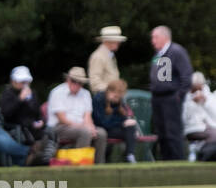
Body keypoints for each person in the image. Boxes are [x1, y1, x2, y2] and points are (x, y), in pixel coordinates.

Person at [149, 26, 193, 161]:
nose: (152, 41)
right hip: (157, 98)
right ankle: (166, 162)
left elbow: (186, 76)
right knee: (161, 132)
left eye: (155, 37)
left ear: (164, 37)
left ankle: (178, 162)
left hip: (171, 98)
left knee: (172, 132)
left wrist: (178, 96)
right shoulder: (158, 54)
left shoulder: (176, 51)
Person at [48, 66, 107, 162]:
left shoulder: (85, 94)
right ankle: (80, 165)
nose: (76, 84)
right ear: (67, 79)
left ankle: (99, 166)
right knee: (84, 132)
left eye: (80, 82)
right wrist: (84, 127)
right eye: (73, 81)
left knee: (101, 133)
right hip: (59, 127)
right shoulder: (57, 92)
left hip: (79, 126)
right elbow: (61, 118)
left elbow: (87, 116)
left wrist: (91, 126)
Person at [92, 79, 139, 163]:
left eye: (119, 96)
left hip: (113, 128)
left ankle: (130, 156)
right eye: (115, 96)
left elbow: (123, 117)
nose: (117, 98)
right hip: (101, 129)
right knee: (128, 129)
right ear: (109, 91)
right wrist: (122, 122)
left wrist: (127, 123)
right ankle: (127, 157)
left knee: (131, 128)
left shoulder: (118, 100)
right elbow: (102, 122)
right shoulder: (98, 99)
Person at [0, 65, 45, 142]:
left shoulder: (32, 93)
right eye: (22, 82)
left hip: (33, 127)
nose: (25, 84)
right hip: (16, 128)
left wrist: (41, 121)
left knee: (50, 133)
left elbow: (38, 112)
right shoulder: (7, 94)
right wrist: (20, 99)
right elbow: (6, 113)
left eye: (27, 81)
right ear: (13, 81)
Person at [88, 26, 126, 93]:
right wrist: (113, 90)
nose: (119, 43)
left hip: (111, 98)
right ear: (108, 41)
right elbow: (95, 84)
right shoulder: (98, 56)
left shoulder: (110, 55)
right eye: (117, 40)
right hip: (104, 98)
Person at [182, 71, 216, 148]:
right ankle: (202, 152)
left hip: (208, 127)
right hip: (192, 129)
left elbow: (214, 115)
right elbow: (184, 119)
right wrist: (192, 103)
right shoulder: (185, 98)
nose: (197, 92)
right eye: (194, 88)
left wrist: (205, 102)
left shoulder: (208, 97)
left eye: (199, 88)